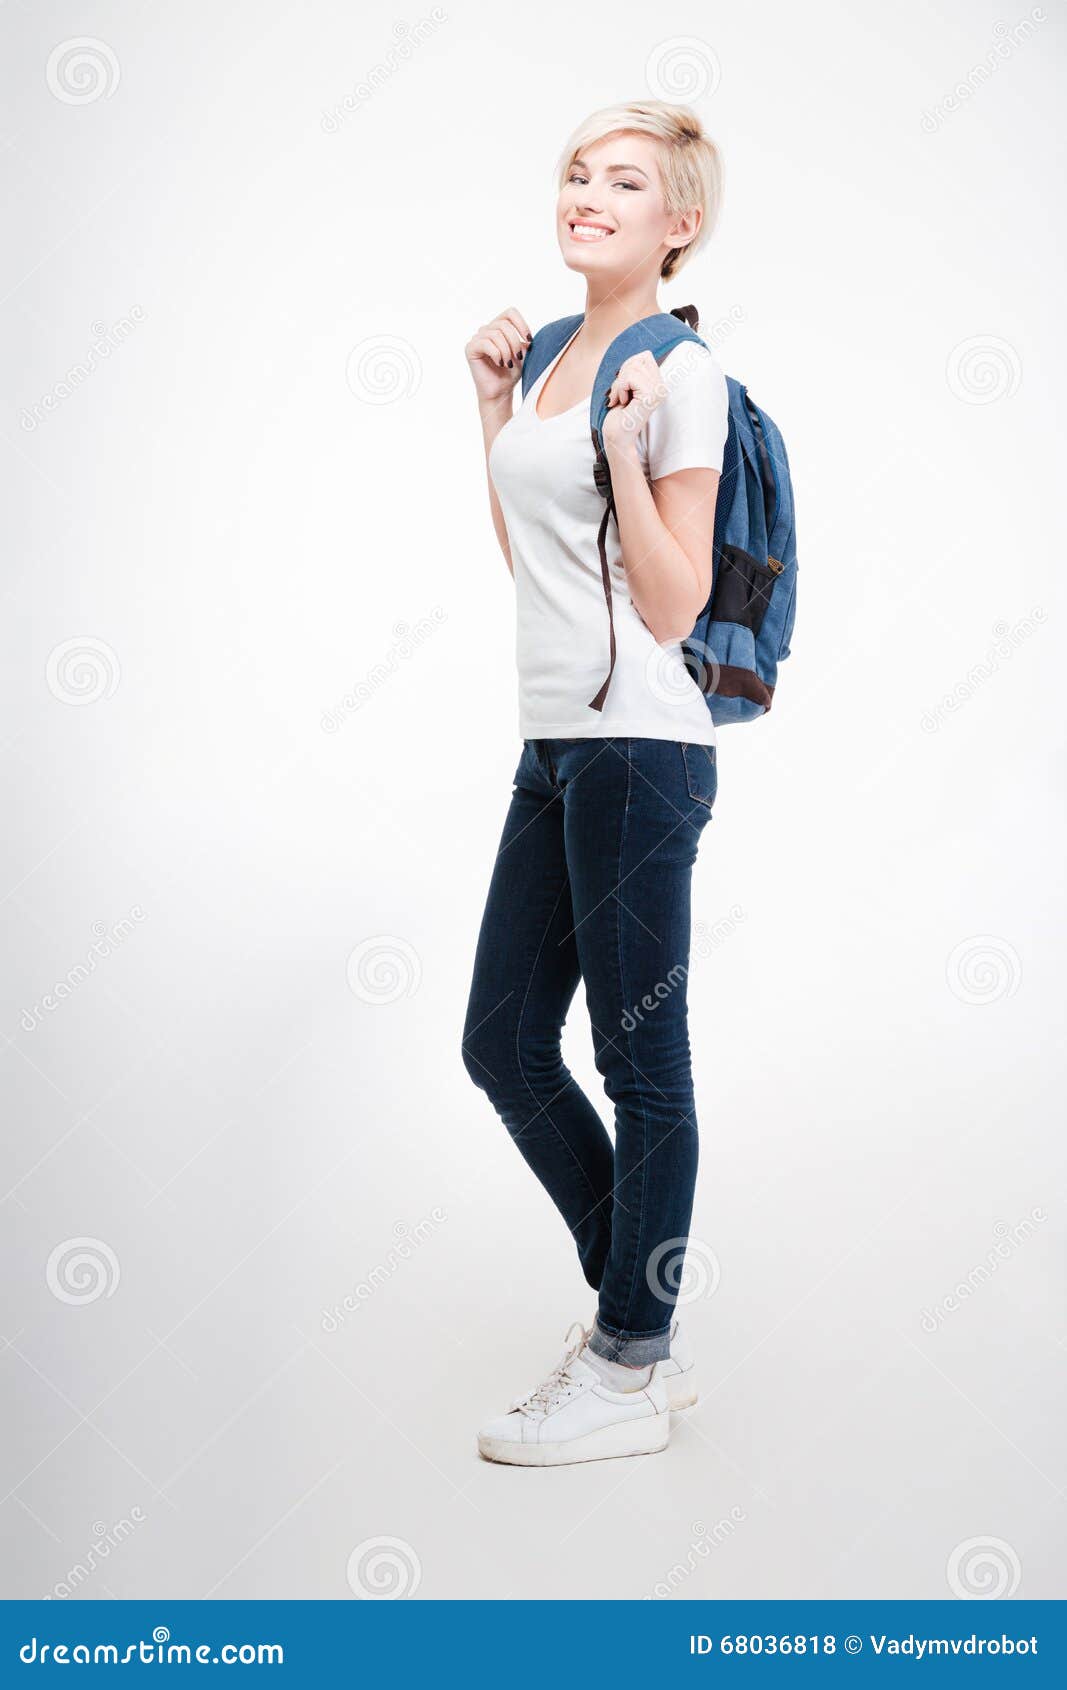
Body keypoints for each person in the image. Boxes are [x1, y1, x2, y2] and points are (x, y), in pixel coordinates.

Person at [462, 99, 728, 1467]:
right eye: (576, 173)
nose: (589, 195)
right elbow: (539, 566)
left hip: (643, 747)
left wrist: (625, 454)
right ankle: (643, 1309)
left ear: (677, 224)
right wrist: (498, 403)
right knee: (501, 1041)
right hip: (556, 739)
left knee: (638, 1060)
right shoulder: (559, 350)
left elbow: (673, 605)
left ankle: (629, 1358)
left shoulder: (681, 374)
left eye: (624, 183)